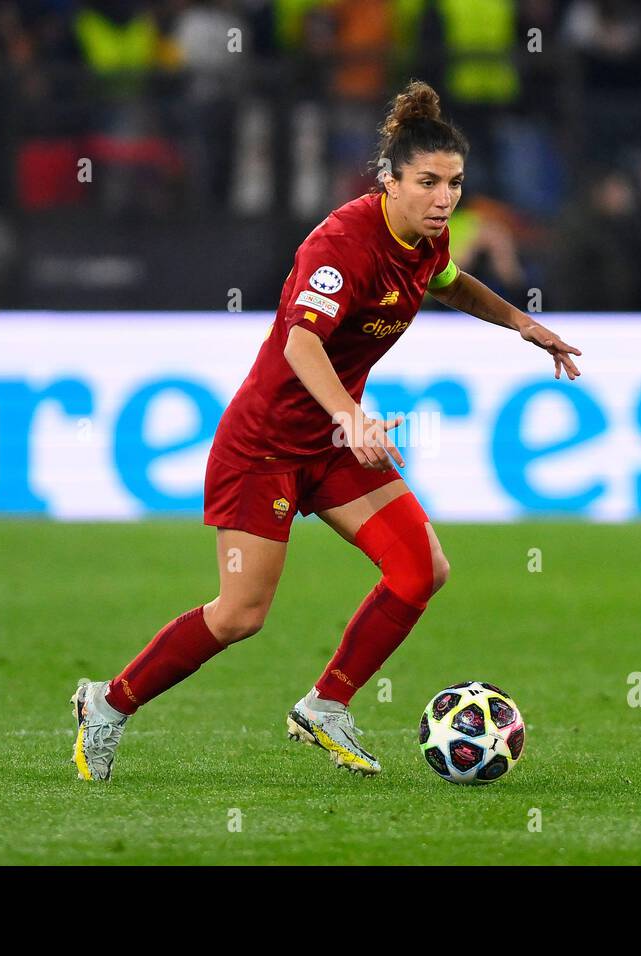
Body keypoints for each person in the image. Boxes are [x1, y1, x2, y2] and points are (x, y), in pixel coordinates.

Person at [69, 79, 583, 780]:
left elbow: (453, 282)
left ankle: (325, 705)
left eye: (455, 184)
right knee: (240, 614)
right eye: (428, 183)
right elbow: (300, 346)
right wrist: (351, 416)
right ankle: (107, 703)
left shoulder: (426, 241)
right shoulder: (342, 246)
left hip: (335, 443)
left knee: (420, 569)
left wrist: (522, 324)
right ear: (389, 181)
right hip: (267, 446)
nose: (444, 199)